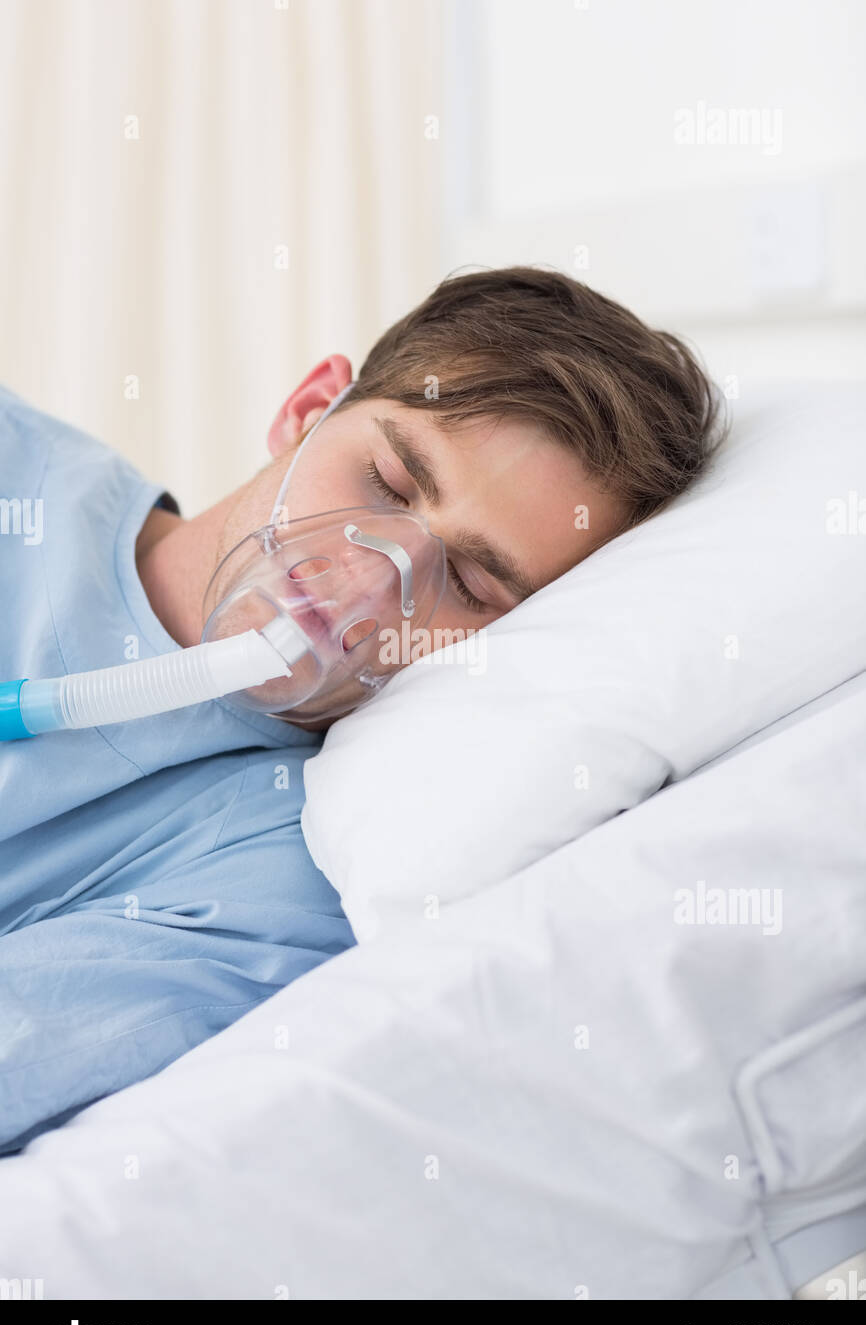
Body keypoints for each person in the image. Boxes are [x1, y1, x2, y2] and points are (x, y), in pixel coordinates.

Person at [0, 266, 725, 1154]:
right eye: (386, 481)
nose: (378, 577)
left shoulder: (285, 882)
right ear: (307, 411)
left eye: (471, 582)